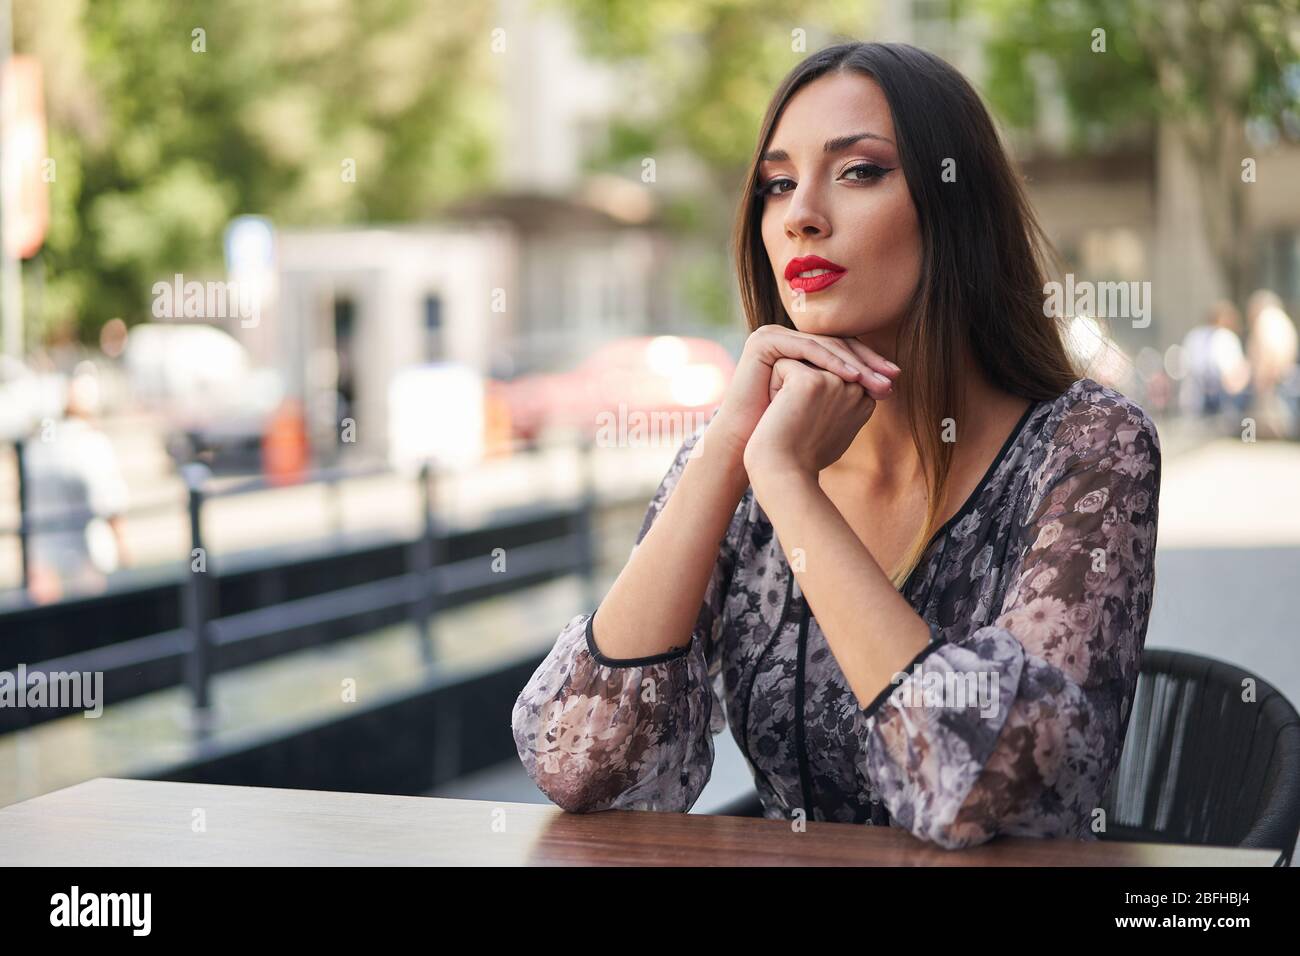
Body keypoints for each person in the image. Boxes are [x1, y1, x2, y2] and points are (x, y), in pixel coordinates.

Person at [511, 42, 1161, 849]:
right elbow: (577, 761)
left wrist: (790, 484)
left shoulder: (1089, 446)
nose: (799, 214)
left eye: (859, 171)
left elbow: (983, 787)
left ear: (956, 203)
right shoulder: (740, 463)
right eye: (777, 184)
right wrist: (727, 452)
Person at [22, 367, 131, 602]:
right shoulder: (90, 443)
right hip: (88, 564)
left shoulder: (36, 448)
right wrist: (125, 555)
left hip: (45, 567)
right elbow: (111, 503)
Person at [1179, 300, 1249, 429]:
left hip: (1196, 396)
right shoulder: (1226, 337)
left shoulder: (1194, 336)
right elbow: (1231, 371)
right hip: (1221, 399)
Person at [1243, 289, 1299, 440]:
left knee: (1270, 414)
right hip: (1285, 373)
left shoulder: (1266, 320)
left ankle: (1251, 437)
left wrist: (1262, 377)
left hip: (1272, 376)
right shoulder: (1281, 319)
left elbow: (1267, 351)